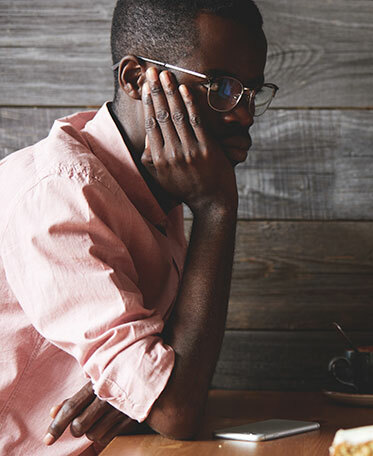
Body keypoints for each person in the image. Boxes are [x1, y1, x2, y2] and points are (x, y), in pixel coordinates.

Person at [0, 0, 277, 454]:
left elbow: (167, 387)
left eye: (250, 92)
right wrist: (216, 209)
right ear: (136, 79)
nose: (243, 115)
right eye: (221, 87)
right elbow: (176, 409)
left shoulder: (149, 186)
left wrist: (137, 391)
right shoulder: (61, 197)